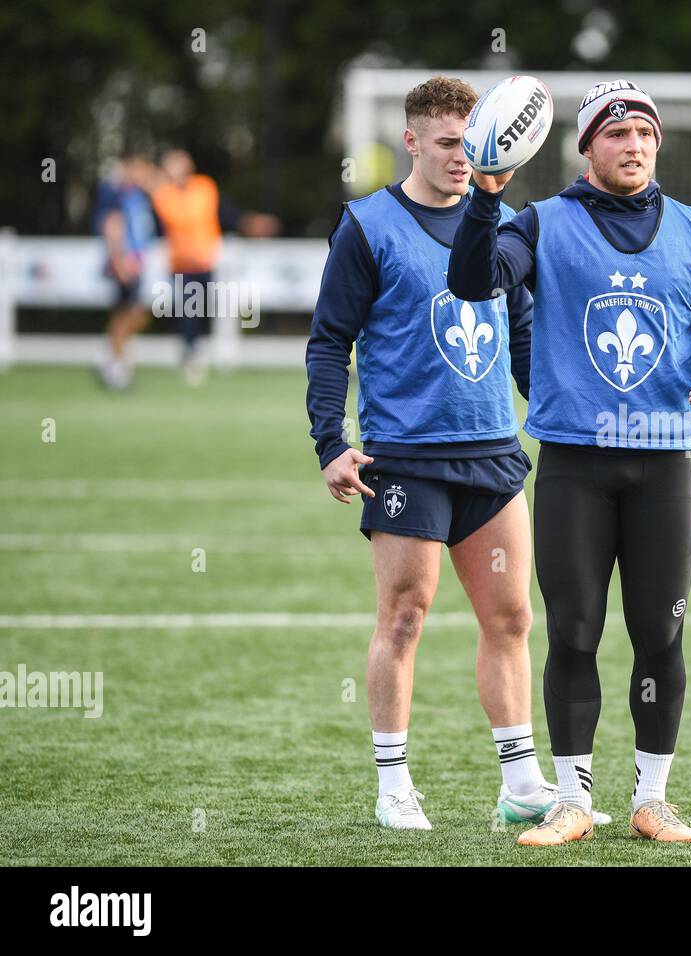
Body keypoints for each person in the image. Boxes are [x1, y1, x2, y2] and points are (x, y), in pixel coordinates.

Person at [448, 77, 691, 845]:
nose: (635, 145)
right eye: (617, 134)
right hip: (575, 465)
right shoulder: (542, 222)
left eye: (646, 134)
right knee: (574, 632)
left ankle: (653, 799)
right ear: (588, 147)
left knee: (660, 634)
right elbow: (470, 282)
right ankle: (572, 800)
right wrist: (486, 196)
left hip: (665, 466)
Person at [305, 76, 576, 832]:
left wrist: (559, 412)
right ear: (413, 141)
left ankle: (521, 783)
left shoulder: (507, 224)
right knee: (404, 617)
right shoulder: (366, 226)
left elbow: (523, 335)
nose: (466, 158)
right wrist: (333, 441)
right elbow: (330, 342)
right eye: (451, 143)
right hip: (407, 457)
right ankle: (393, 784)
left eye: (477, 144)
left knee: (514, 616)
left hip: (493, 456)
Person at [150, 149, 279, 384]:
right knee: (189, 311)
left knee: (213, 309)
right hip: (182, 264)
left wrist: (251, 224)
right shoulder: (163, 194)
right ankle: (191, 356)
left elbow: (227, 214)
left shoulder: (204, 188)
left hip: (208, 260)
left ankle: (213, 355)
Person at [94, 155, 159, 391]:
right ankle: (116, 367)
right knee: (127, 314)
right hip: (125, 264)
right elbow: (112, 227)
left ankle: (114, 361)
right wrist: (120, 261)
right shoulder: (119, 195)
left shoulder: (137, 196)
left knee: (131, 314)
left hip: (135, 264)